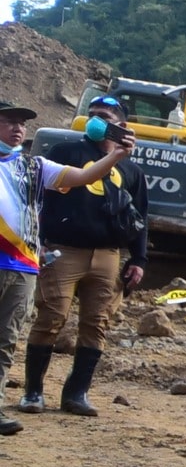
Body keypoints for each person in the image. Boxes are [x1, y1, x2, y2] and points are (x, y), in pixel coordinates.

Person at [1, 99, 137, 429]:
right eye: (10, 121)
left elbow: (83, 176)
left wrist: (117, 156)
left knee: (5, 340)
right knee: (46, 319)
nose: (19, 128)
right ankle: (32, 391)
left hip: (21, 265)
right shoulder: (55, 154)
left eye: (23, 123)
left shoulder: (34, 166)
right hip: (40, 256)